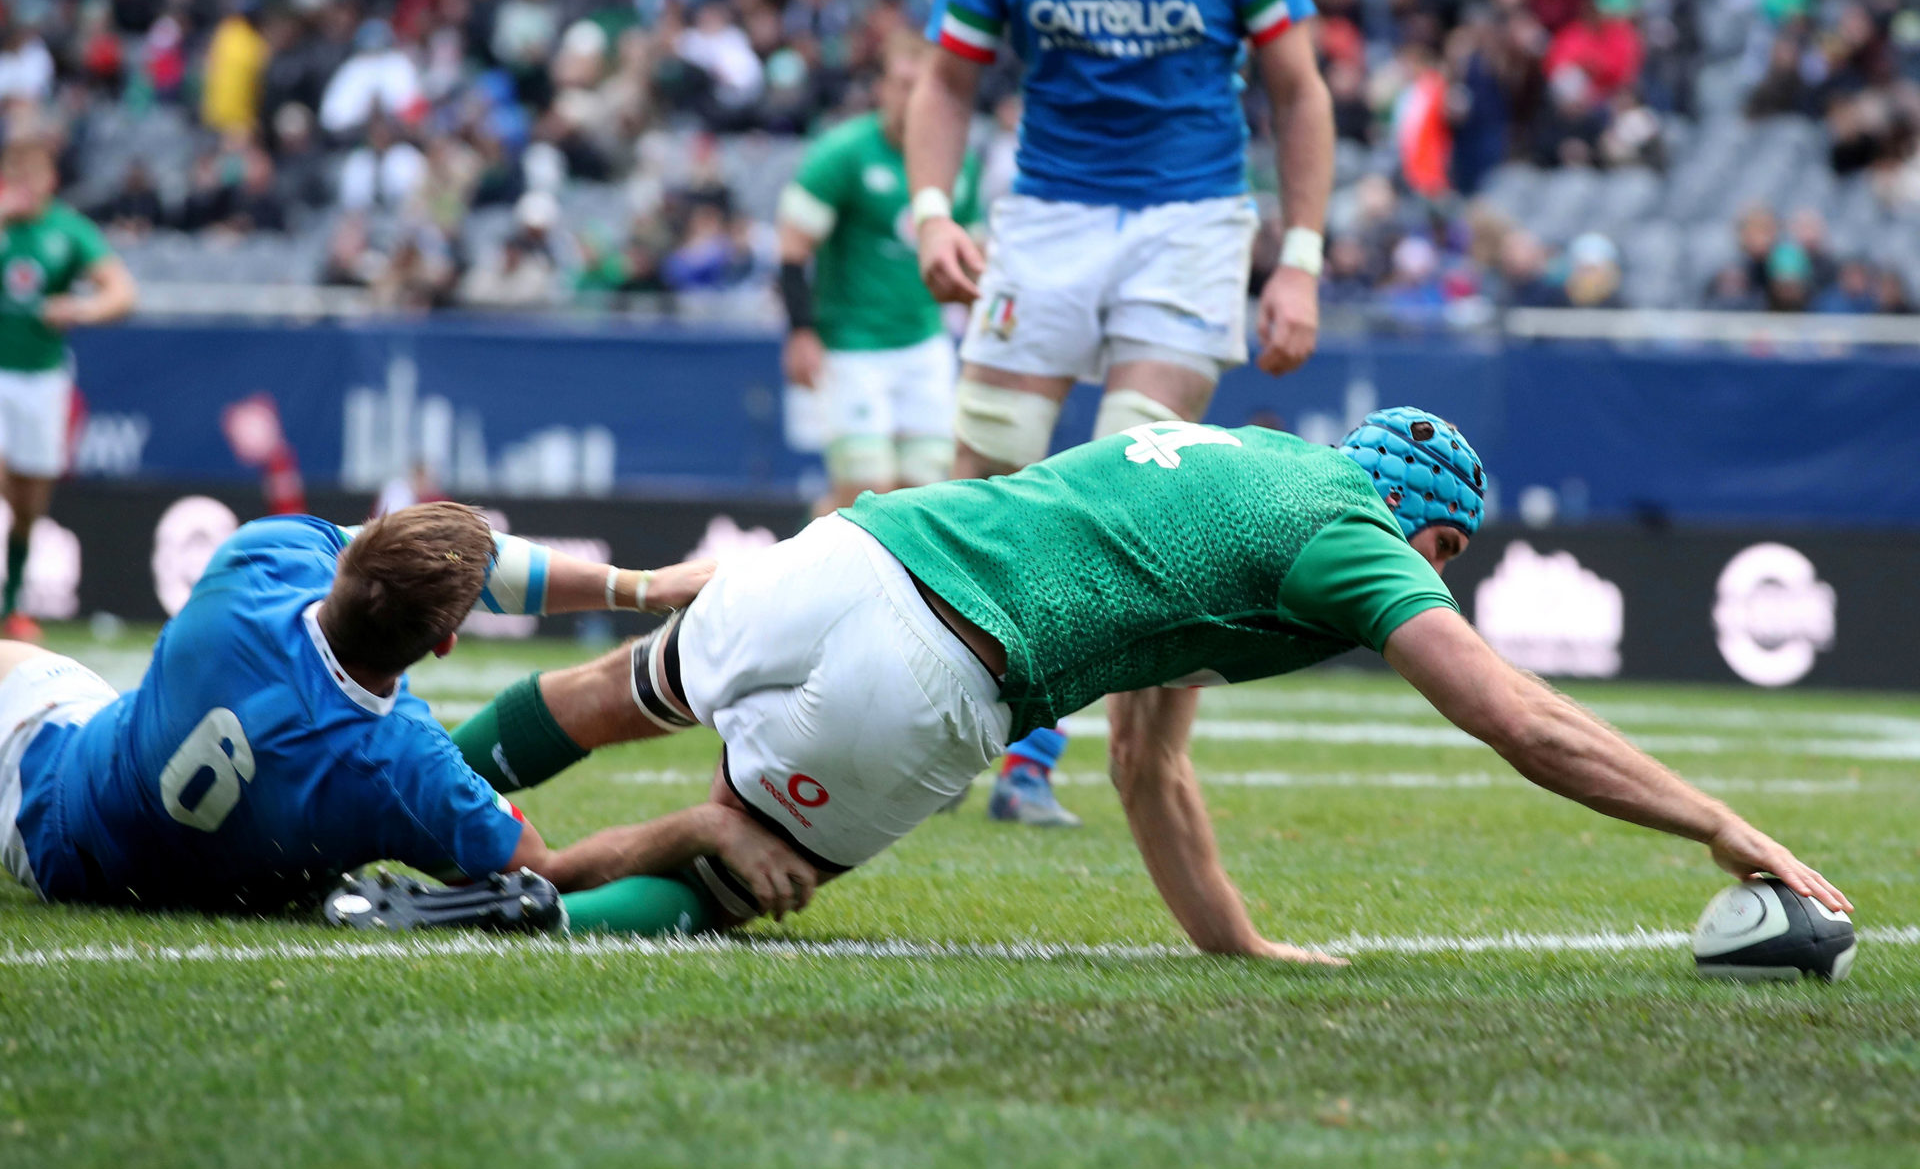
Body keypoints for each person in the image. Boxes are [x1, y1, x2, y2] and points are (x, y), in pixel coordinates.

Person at [445, 410, 1848, 957]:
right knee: (734, 872)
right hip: (938, 668)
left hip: (851, 547)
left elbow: (1146, 764)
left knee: (616, 689)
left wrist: (1234, 941)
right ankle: (501, 909)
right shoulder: (1348, 542)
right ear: (1424, 523)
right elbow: (1516, 715)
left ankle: (412, 809)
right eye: (1449, 553)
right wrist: (1715, 820)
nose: (1443, 578)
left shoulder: (1227, 459)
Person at [904, 0, 1336, 826]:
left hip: (1192, 220)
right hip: (1045, 217)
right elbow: (947, 79)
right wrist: (934, 213)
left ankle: (1034, 757)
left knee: (1134, 494)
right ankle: (926, 727)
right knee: (984, 475)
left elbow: (1298, 89)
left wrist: (1297, 259)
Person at [0, 502, 788, 919]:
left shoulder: (258, 558)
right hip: (71, 848)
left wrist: (641, 586)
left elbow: (459, 562)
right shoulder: (406, 768)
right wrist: (702, 824)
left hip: (58, 768)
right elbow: (547, 872)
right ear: (443, 643)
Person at [776, 30, 982, 511]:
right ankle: (805, 572)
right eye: (900, 83)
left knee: (924, 496)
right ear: (882, 88)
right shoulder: (843, 154)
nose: (909, 97)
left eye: (921, 85)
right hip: (854, 347)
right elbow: (791, 249)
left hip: (925, 344)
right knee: (866, 494)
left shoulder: (959, 164)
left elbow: (975, 256)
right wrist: (801, 332)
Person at [0, 136, 136, 641]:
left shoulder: (68, 231)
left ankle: (10, 605)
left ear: (50, 179)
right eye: (15, 172)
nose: (24, 184)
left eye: (33, 173)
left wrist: (78, 309)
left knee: (29, 501)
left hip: (41, 376)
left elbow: (122, 293)